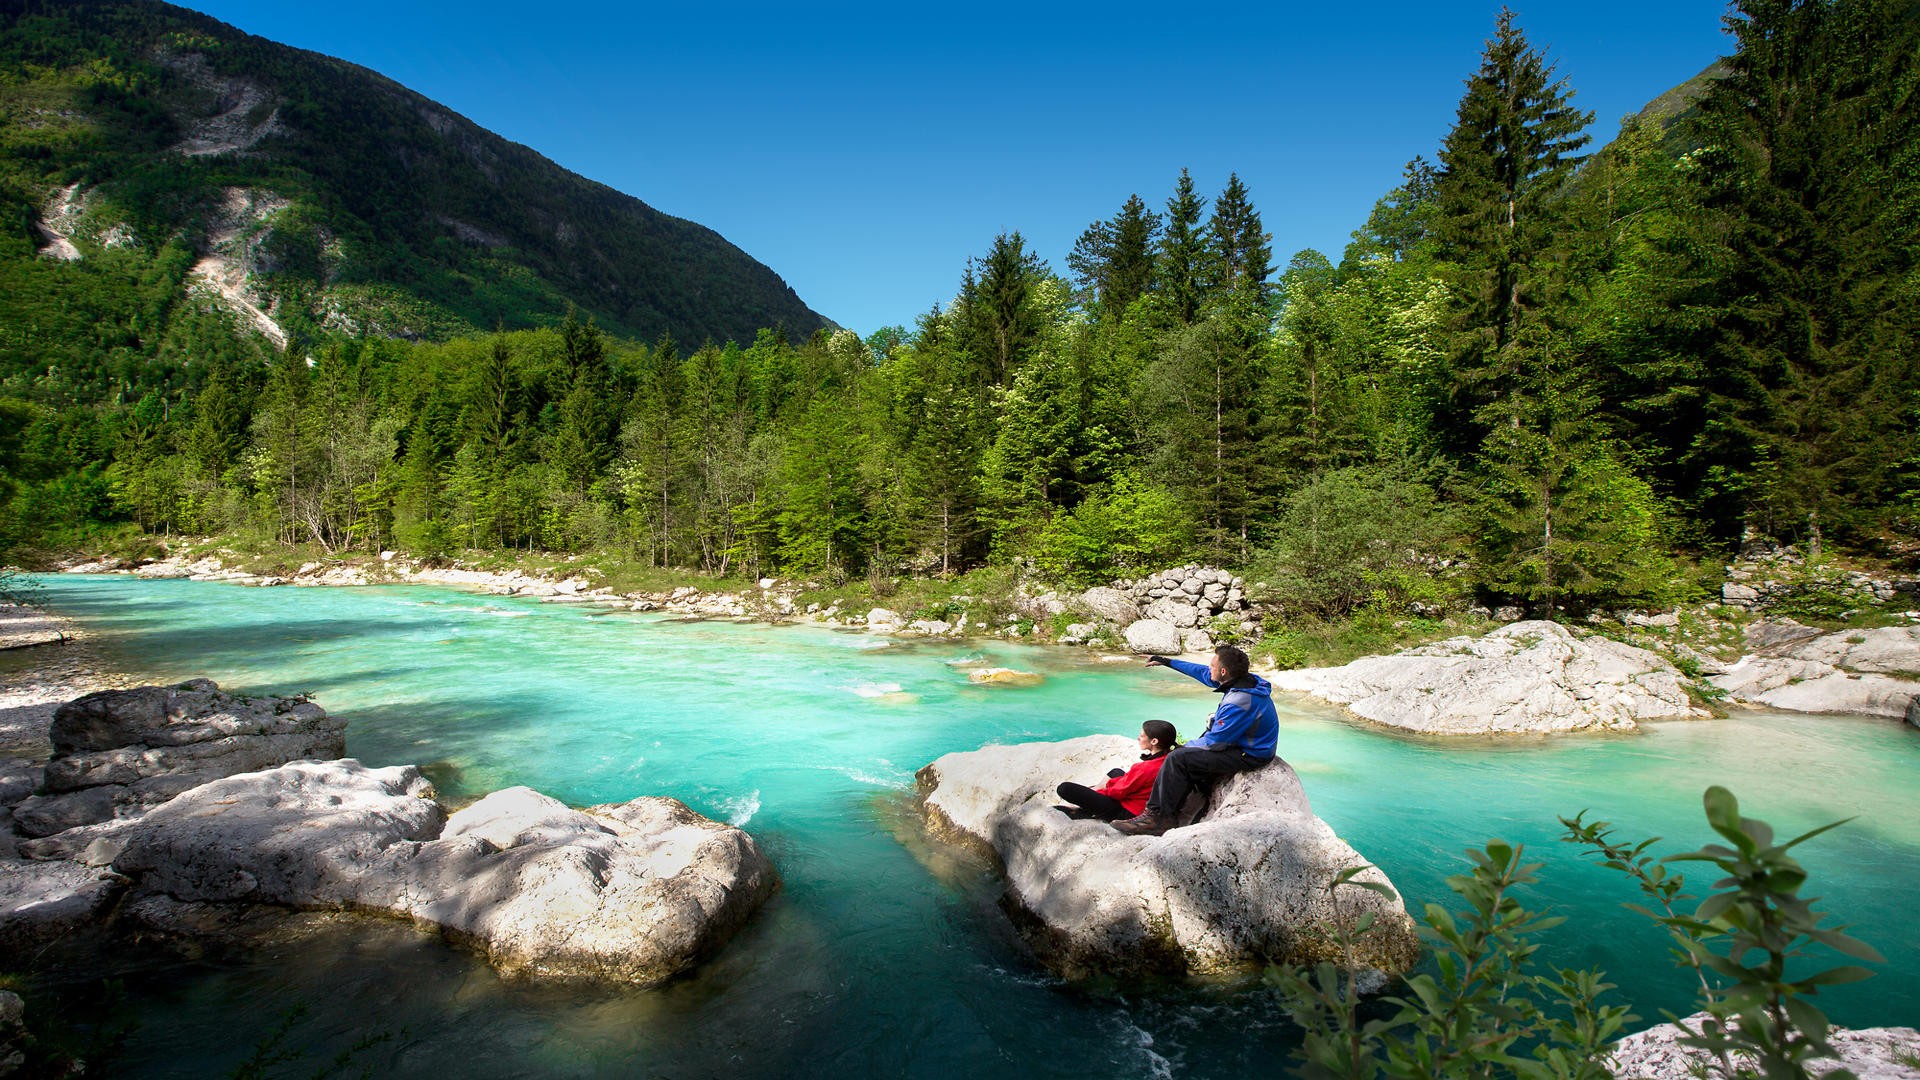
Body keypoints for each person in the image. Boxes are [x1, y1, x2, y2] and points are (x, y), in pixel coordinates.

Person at [1112, 644, 1277, 836]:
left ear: (1223, 671)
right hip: (1244, 743)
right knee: (1188, 753)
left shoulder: (1239, 701)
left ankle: (1158, 819)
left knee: (1178, 758)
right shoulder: (1243, 681)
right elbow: (1201, 673)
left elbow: (1215, 742)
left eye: (1212, 666)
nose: (1209, 669)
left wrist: (1180, 748)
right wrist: (1167, 661)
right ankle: (1181, 805)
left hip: (1250, 754)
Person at [1054, 720, 1179, 821]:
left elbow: (1117, 793)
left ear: (1154, 741)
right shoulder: (1171, 758)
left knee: (1064, 788)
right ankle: (1089, 805)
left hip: (1128, 812)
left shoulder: (1144, 768)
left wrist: (1099, 790)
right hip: (1145, 801)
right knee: (1116, 772)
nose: (1138, 738)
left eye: (1142, 736)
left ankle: (1086, 810)